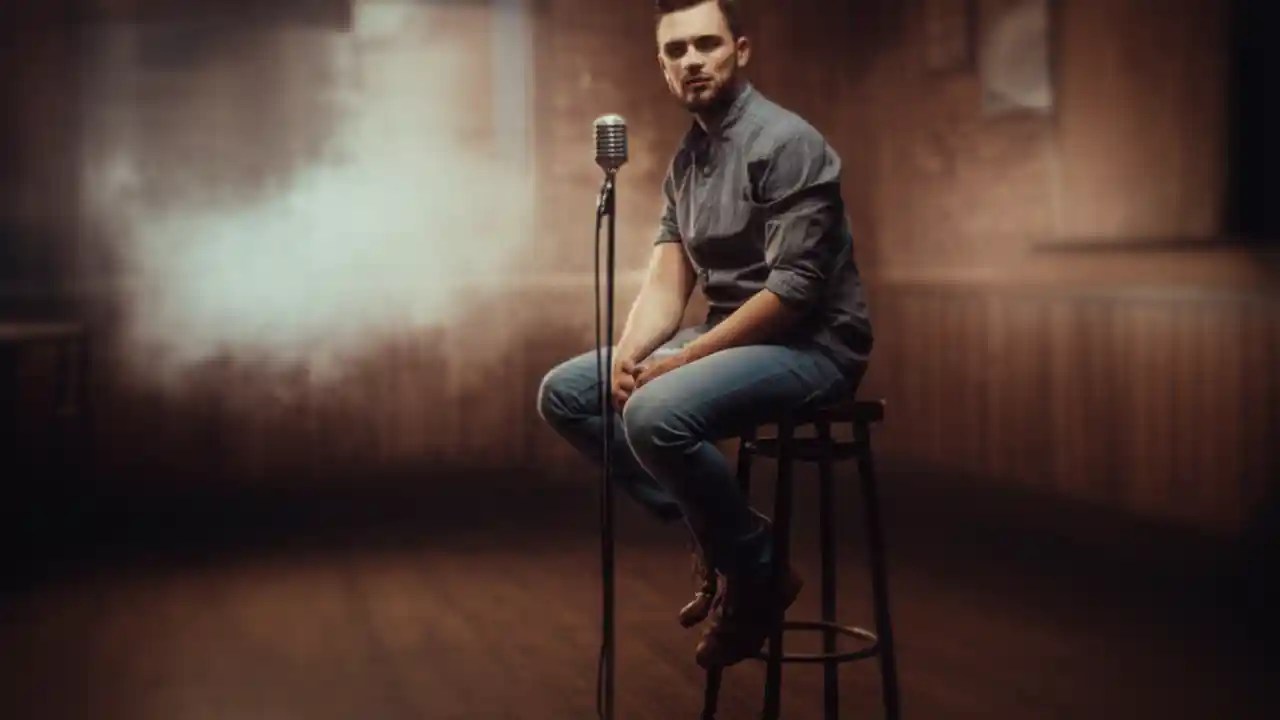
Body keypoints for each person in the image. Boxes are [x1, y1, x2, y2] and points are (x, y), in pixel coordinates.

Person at [536, 0, 873, 668]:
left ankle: (755, 573)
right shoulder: (686, 162)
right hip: (731, 335)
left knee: (655, 413)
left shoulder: (787, 143)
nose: (691, 60)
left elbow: (793, 294)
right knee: (570, 393)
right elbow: (668, 282)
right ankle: (724, 534)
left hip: (812, 347)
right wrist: (631, 353)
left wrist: (683, 359)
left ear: (740, 50)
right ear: (662, 67)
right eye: (675, 51)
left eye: (706, 45)